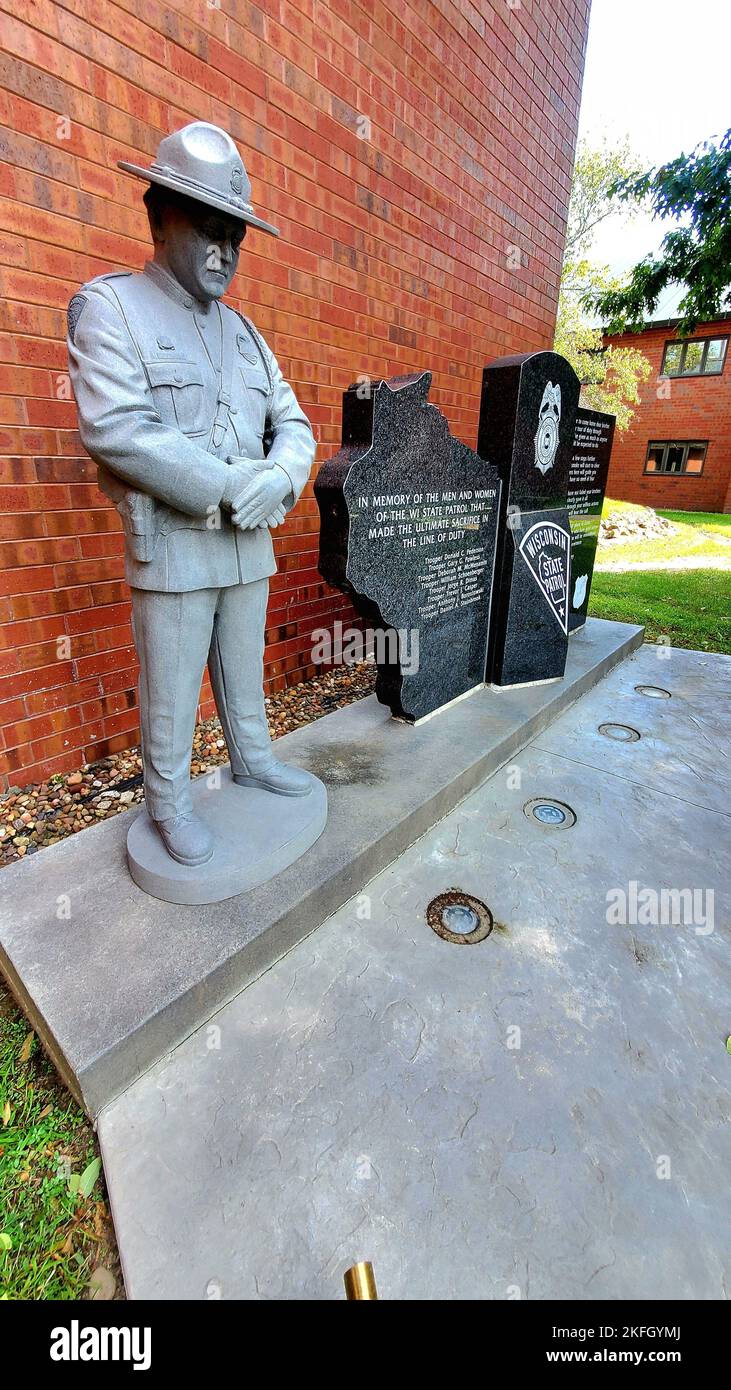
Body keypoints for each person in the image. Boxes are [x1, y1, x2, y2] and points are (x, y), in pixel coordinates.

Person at [67, 121, 316, 867]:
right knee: (171, 689)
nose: (224, 252)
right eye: (207, 230)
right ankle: (169, 804)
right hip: (175, 548)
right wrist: (243, 487)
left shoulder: (244, 332)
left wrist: (281, 477)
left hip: (248, 547)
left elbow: (292, 419)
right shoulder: (109, 308)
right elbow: (120, 431)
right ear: (156, 220)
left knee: (244, 668)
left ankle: (253, 759)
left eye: (234, 236)